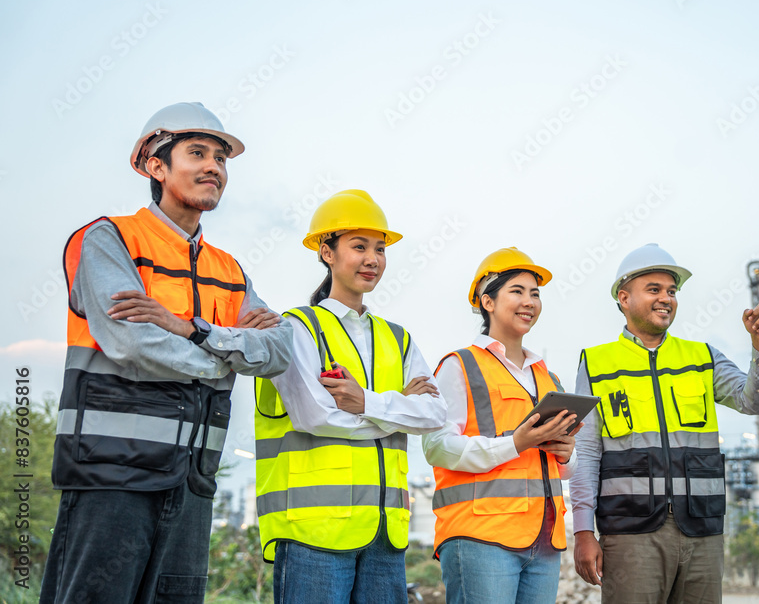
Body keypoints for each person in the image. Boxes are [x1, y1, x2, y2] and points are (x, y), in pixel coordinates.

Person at [41, 102, 293, 603]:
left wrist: (188, 329)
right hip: (110, 477)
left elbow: (278, 352)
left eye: (220, 159)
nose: (213, 168)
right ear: (156, 166)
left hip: (193, 484)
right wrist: (227, 354)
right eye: (197, 153)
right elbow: (131, 344)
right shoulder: (108, 239)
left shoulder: (230, 269)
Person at [255, 188, 447, 604]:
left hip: (385, 533)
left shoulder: (399, 338)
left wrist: (368, 402)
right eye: (359, 246)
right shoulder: (296, 328)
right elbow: (315, 417)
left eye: (380, 249)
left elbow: (435, 415)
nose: (373, 259)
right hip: (313, 532)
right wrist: (399, 405)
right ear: (327, 252)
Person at [570, 243, 759, 604]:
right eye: (654, 289)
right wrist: (584, 531)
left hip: (702, 531)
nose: (666, 298)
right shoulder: (597, 363)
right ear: (624, 297)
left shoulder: (702, 357)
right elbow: (586, 453)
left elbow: (756, 402)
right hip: (630, 533)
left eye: (671, 291)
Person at [423, 247, 581, 604]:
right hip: (480, 538)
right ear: (487, 302)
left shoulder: (549, 377)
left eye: (535, 293)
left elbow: (565, 469)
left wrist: (567, 454)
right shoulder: (459, 365)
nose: (529, 301)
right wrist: (517, 442)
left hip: (544, 540)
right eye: (518, 291)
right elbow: (436, 447)